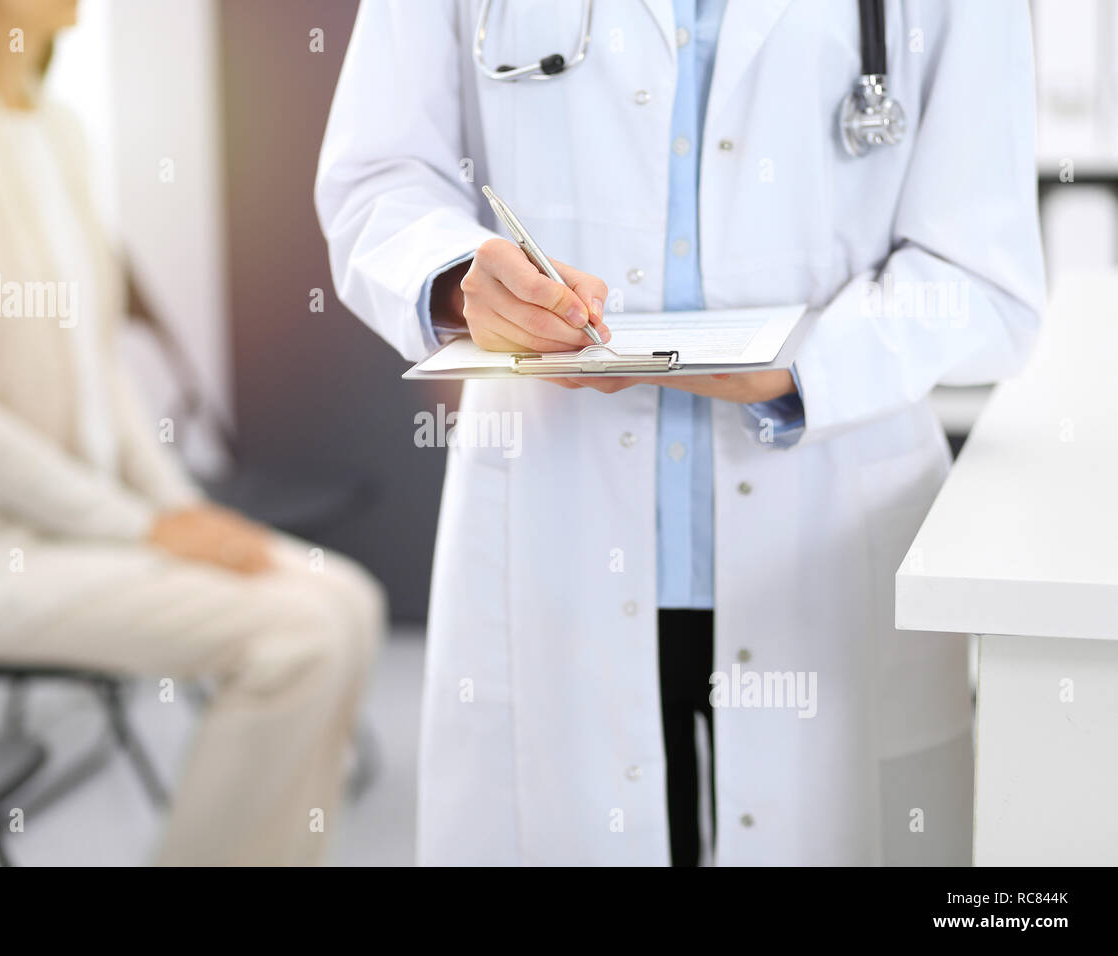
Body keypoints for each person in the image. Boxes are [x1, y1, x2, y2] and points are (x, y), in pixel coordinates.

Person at [316, 0, 1045, 865]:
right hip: (560, 521)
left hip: (824, 527)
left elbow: (981, 272)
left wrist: (804, 367)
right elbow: (378, 177)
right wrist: (456, 280)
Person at [0, 0, 384, 865]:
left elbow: (102, 372)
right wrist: (148, 528)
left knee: (348, 600)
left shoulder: (58, 136)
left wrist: (184, 511)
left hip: (79, 522)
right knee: (300, 637)